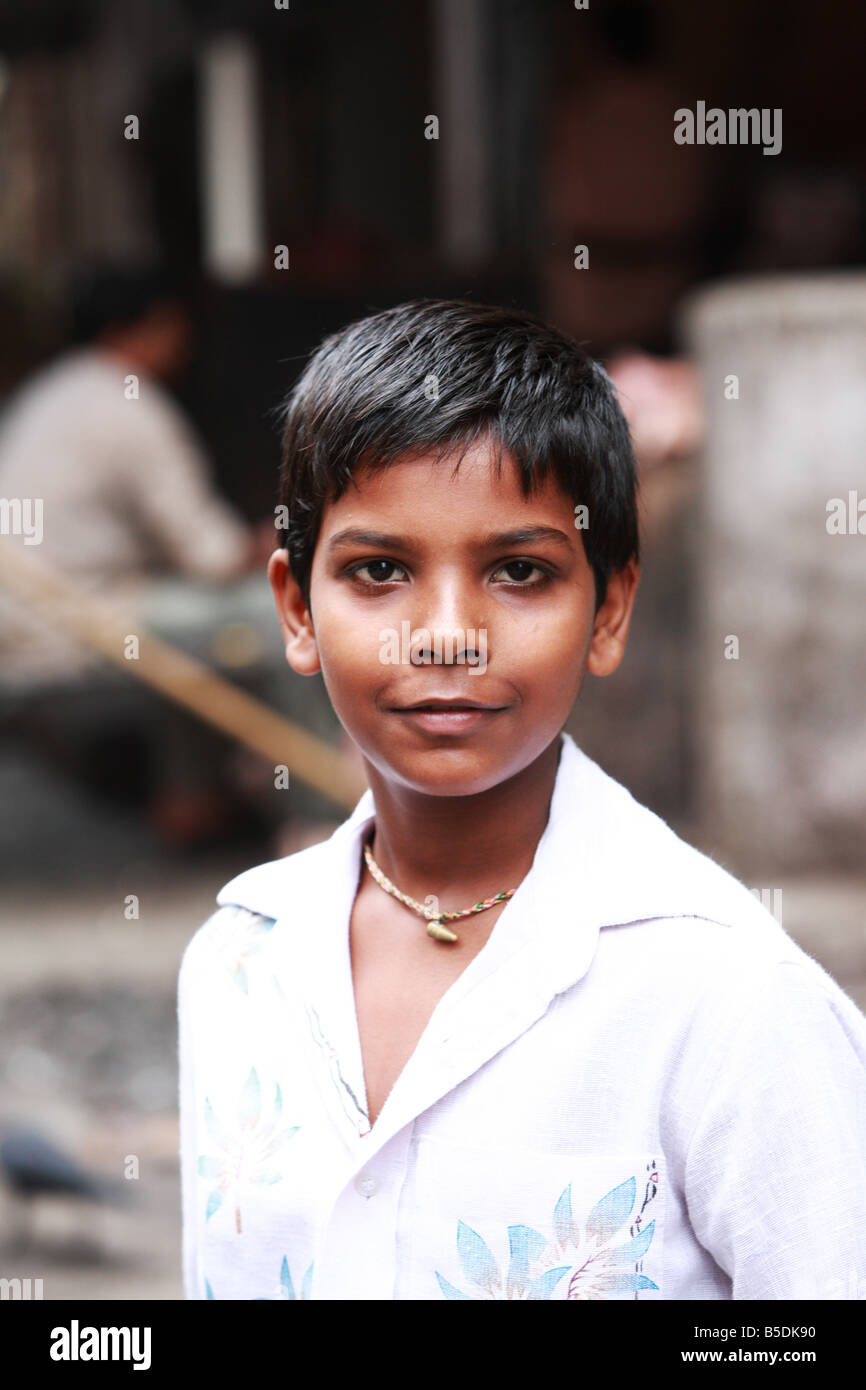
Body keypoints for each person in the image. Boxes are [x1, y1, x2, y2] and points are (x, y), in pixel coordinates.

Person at [178, 299, 866, 1300]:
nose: (447, 635)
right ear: (295, 608)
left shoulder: (721, 995)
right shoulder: (239, 961)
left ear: (607, 609)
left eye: (517, 572)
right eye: (378, 570)